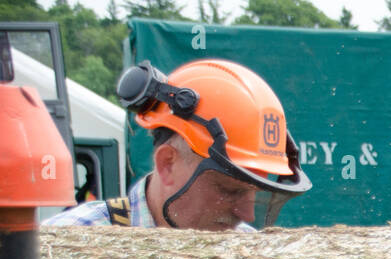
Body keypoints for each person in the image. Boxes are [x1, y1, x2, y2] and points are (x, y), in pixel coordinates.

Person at [45, 59, 310, 232]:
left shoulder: (247, 248)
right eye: (229, 190)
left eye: (256, 192)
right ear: (168, 164)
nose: (247, 214)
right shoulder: (68, 242)